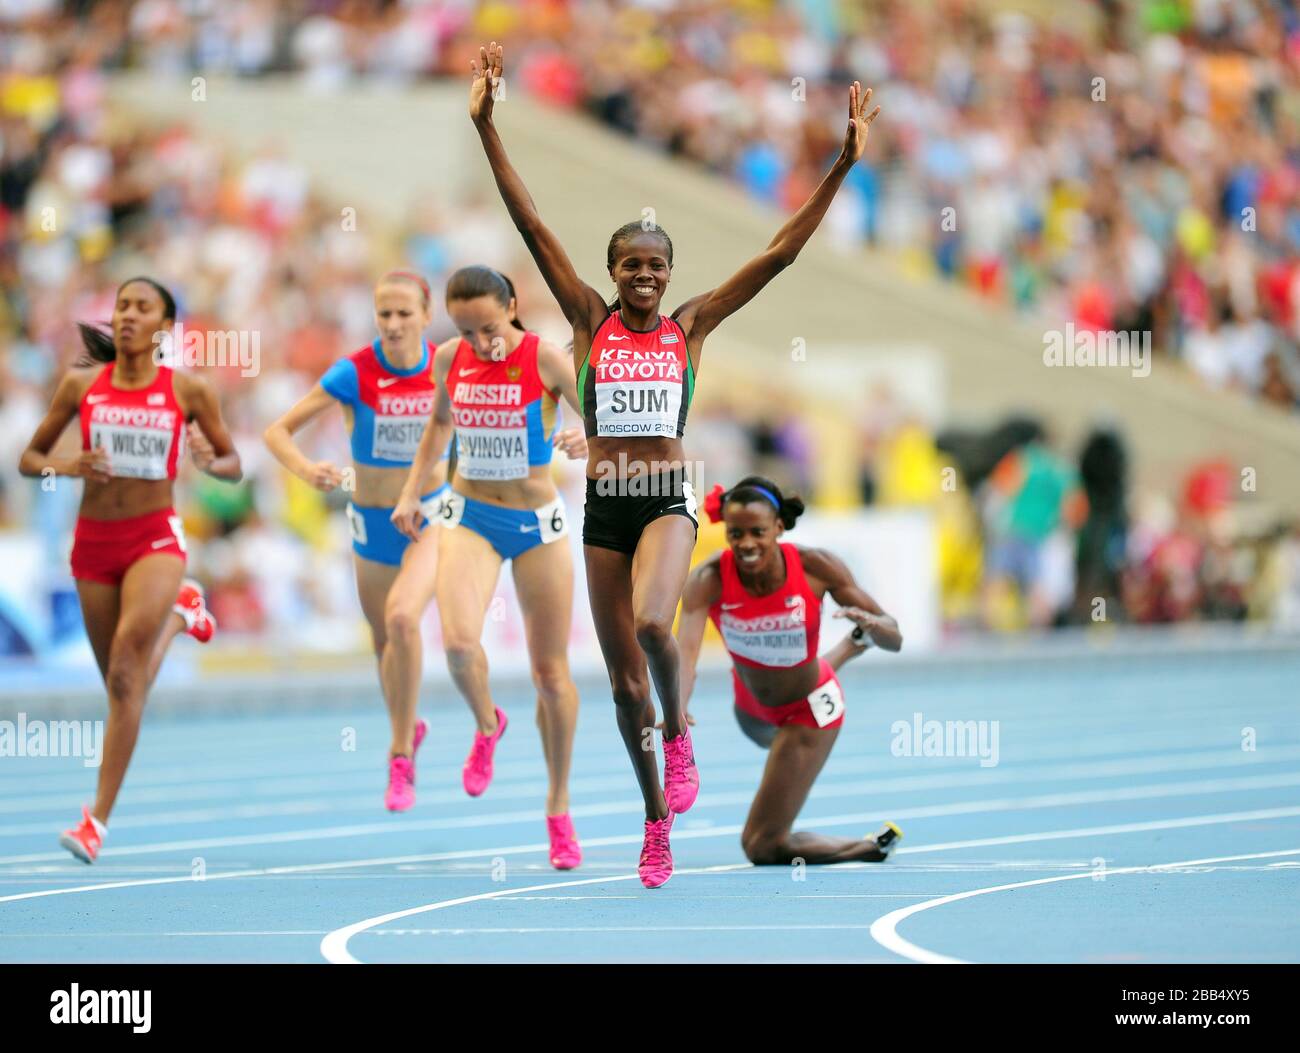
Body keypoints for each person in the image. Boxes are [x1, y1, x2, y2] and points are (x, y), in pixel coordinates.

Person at [468, 39, 882, 887]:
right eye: (631, 266)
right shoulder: (588, 320)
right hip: (603, 507)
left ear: (670, 274)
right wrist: (487, 126)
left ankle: (683, 727)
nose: (645, 276)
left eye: (657, 266)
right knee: (624, 691)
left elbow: (778, 253)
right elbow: (530, 221)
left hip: (662, 497)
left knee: (658, 628)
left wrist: (840, 166)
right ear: (613, 272)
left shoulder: (691, 327)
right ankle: (657, 820)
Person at [17, 277, 242, 862]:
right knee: (124, 684)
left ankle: (96, 821)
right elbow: (29, 459)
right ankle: (181, 615)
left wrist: (208, 461)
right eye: (121, 306)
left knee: (124, 670)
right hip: (93, 543)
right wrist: (70, 465)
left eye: (143, 309)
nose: (127, 316)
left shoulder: (189, 389)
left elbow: (233, 462)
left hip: (154, 539)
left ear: (165, 328)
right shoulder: (82, 384)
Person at [394, 265, 589, 868]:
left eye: (489, 328)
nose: (482, 343)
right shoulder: (449, 358)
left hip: (537, 524)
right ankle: (487, 724)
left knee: (551, 675)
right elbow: (439, 427)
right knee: (456, 647)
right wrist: (410, 492)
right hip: (469, 514)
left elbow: (609, 421)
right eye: (468, 330)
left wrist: (590, 439)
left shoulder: (547, 359)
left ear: (512, 305)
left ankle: (558, 806)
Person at [264, 271, 450, 810]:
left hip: (428, 519)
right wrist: (305, 469)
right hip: (370, 523)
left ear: (424, 311)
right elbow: (277, 431)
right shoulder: (354, 372)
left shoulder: (445, 367)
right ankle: (406, 724)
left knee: (402, 619)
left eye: (403, 314)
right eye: (384, 314)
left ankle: (399, 757)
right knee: (384, 643)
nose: (393, 324)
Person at [675, 477, 903, 866]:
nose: (746, 544)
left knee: (762, 845)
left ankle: (871, 847)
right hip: (751, 712)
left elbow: (895, 637)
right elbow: (685, 654)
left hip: (809, 711)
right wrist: (676, 705)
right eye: (736, 533)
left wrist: (877, 626)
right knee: (785, 665)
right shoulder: (708, 579)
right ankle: (851, 645)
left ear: (779, 528)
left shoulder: (817, 568)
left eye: (758, 532)